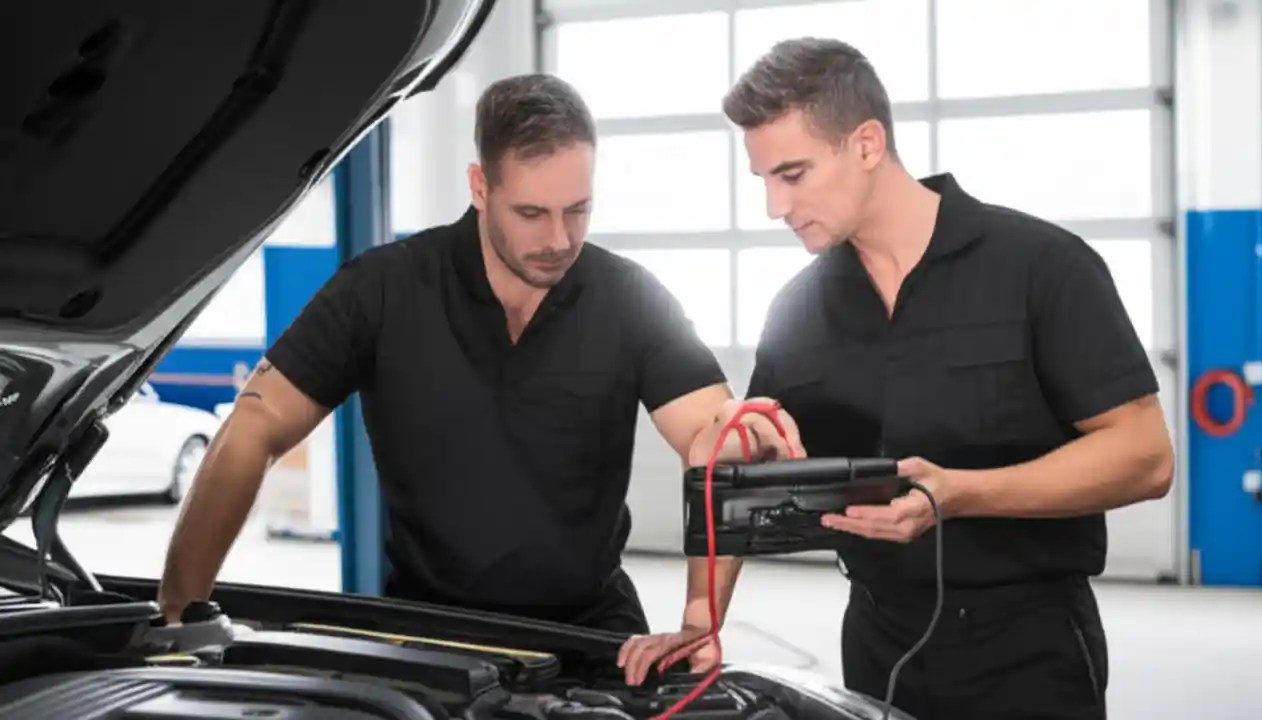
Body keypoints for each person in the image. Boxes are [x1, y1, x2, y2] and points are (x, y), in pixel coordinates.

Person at [619, 38, 1174, 720]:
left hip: (1030, 647)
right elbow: (747, 487)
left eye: (792, 173)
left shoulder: (1041, 269)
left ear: (867, 143)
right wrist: (702, 616)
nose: (774, 205)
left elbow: (1145, 458)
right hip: (878, 645)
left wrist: (960, 493)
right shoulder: (798, 310)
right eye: (763, 178)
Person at [156, 73, 799, 635]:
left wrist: (700, 614)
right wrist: (180, 616)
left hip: (591, 632)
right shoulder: (382, 289)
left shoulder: (629, 296)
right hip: (430, 629)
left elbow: (712, 444)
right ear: (479, 186)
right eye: (531, 212)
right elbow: (254, 426)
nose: (558, 238)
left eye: (579, 210)